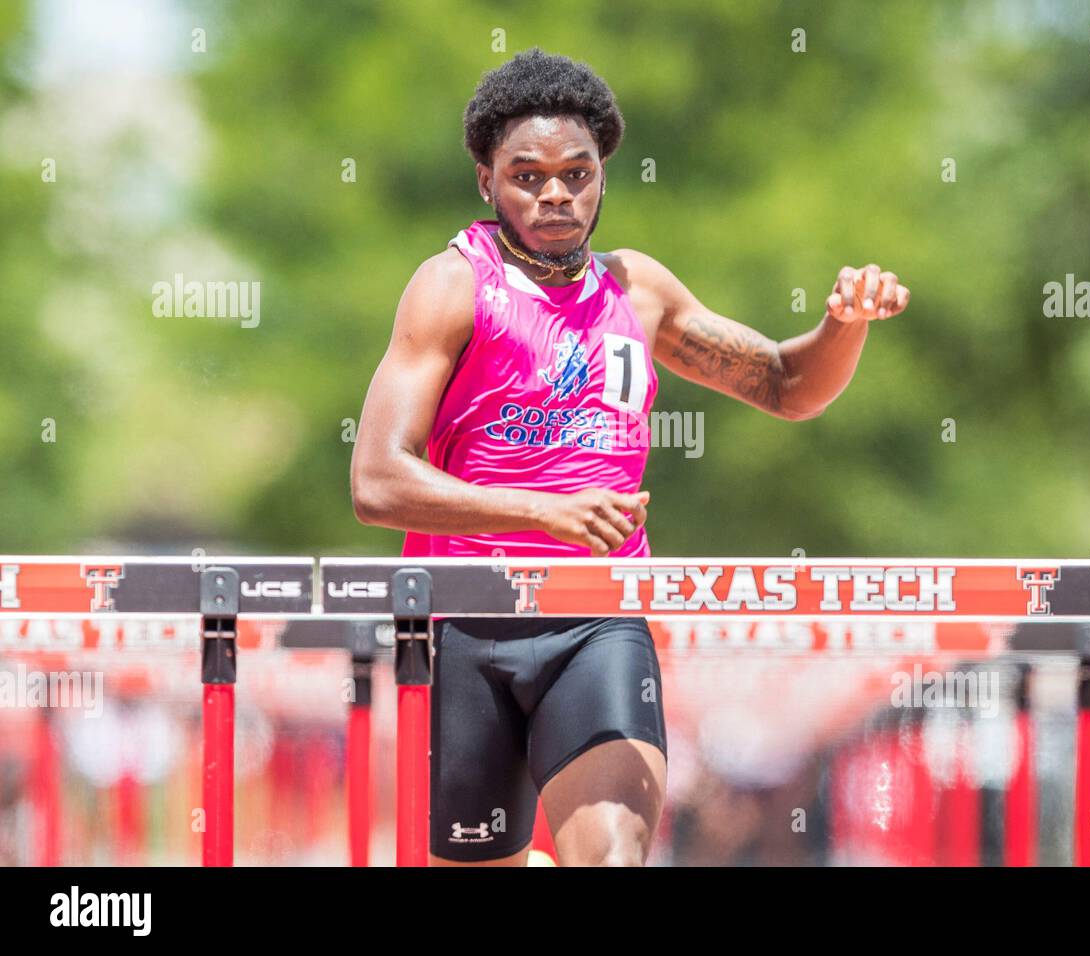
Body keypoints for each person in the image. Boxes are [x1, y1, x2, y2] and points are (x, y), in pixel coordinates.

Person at [349, 47, 911, 867]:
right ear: (487, 181)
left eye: (577, 173)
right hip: (464, 620)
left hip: (598, 617)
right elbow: (376, 479)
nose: (554, 194)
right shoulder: (451, 287)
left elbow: (789, 386)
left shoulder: (636, 291)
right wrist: (543, 510)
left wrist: (844, 325)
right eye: (527, 174)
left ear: (604, 176)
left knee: (610, 858)